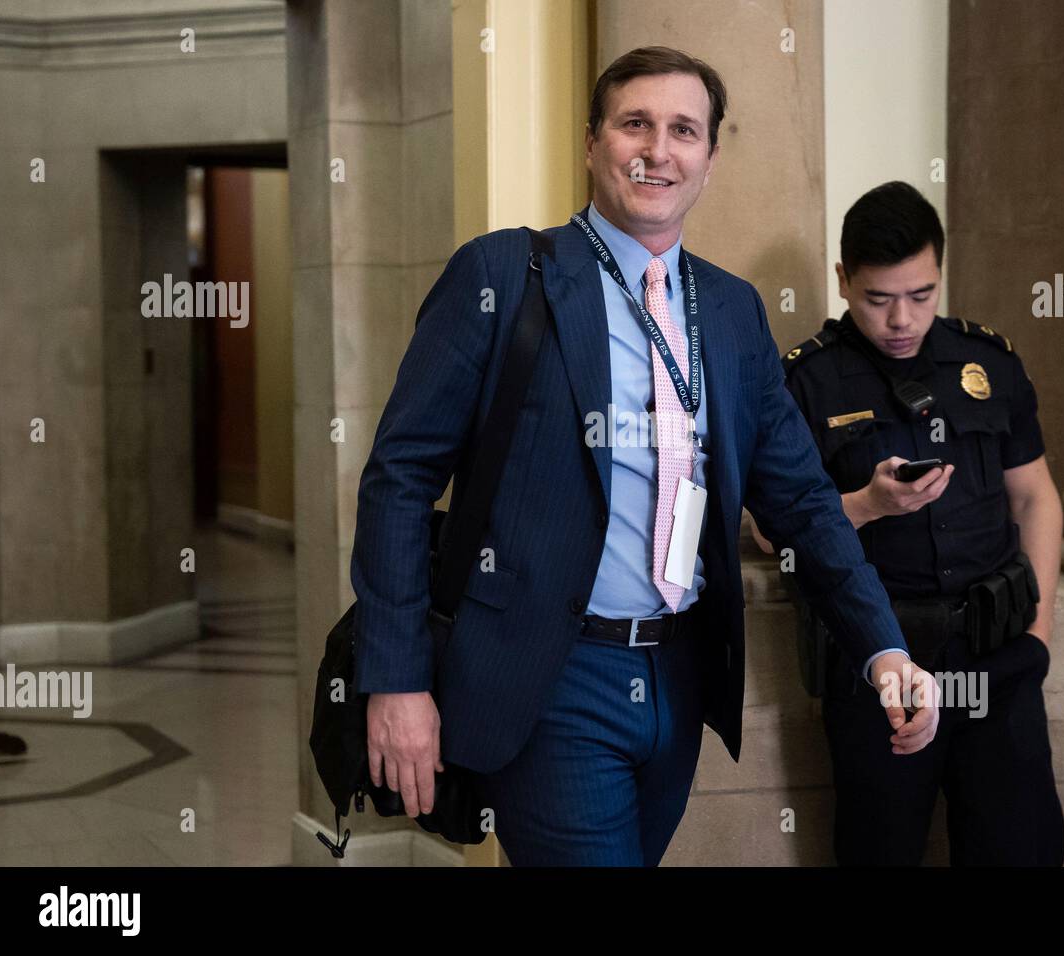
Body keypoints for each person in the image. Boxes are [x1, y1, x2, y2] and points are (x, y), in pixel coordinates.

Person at [349, 49, 940, 866]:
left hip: (677, 677)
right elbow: (399, 479)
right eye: (635, 124)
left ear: (709, 159)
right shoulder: (503, 277)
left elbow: (802, 500)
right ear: (593, 143)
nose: (658, 150)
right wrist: (397, 677)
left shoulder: (732, 312)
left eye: (683, 131)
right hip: (552, 680)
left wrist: (884, 648)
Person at [752, 181, 1064, 866]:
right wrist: (867, 504)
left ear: (940, 276)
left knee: (1023, 850)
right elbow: (770, 530)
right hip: (881, 658)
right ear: (843, 280)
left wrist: (1039, 634)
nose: (901, 319)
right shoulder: (806, 381)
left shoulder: (988, 362)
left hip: (999, 653)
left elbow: (1035, 497)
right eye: (878, 298)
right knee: (881, 850)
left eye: (920, 296)